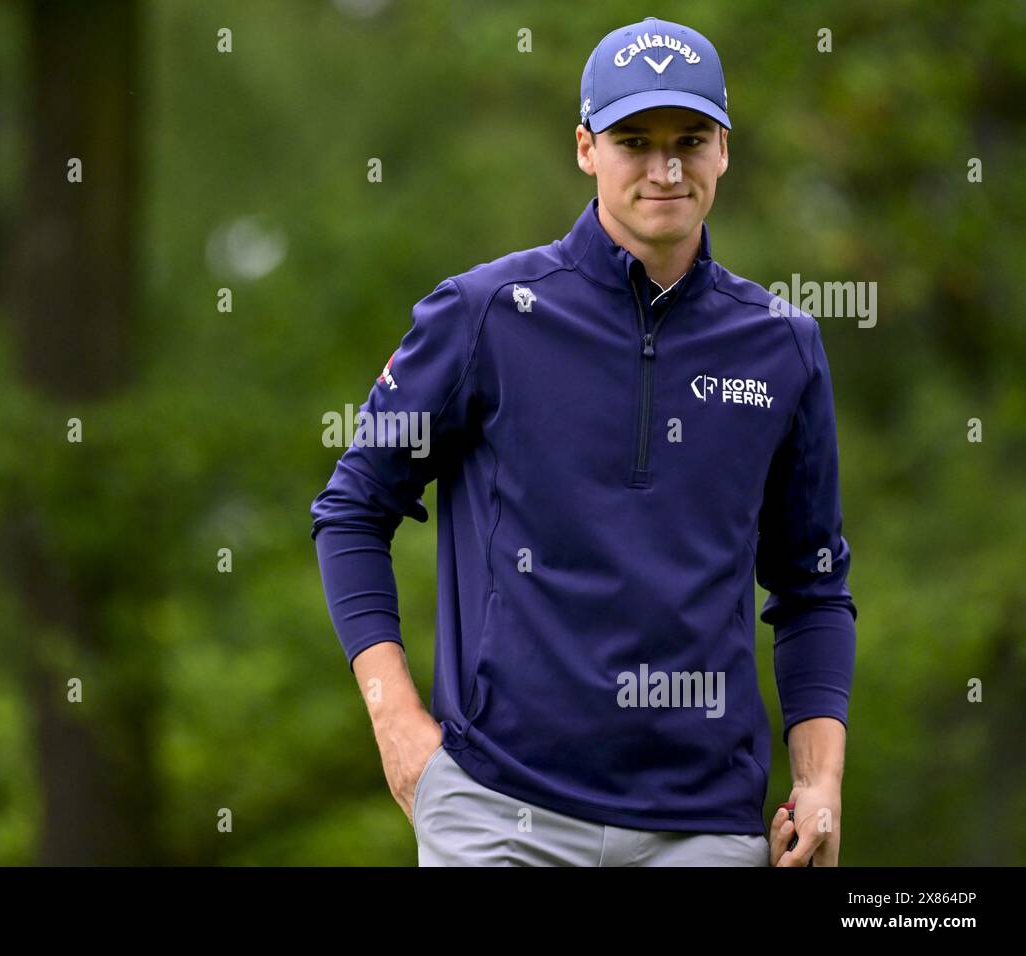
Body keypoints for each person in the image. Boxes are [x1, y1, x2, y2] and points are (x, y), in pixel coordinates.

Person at [309, 16, 856, 866]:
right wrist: (396, 722)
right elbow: (351, 511)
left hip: (704, 827)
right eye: (634, 139)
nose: (665, 168)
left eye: (690, 139)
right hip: (499, 811)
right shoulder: (485, 314)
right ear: (585, 148)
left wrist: (819, 781)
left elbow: (812, 589)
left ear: (723, 150)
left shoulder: (782, 345)